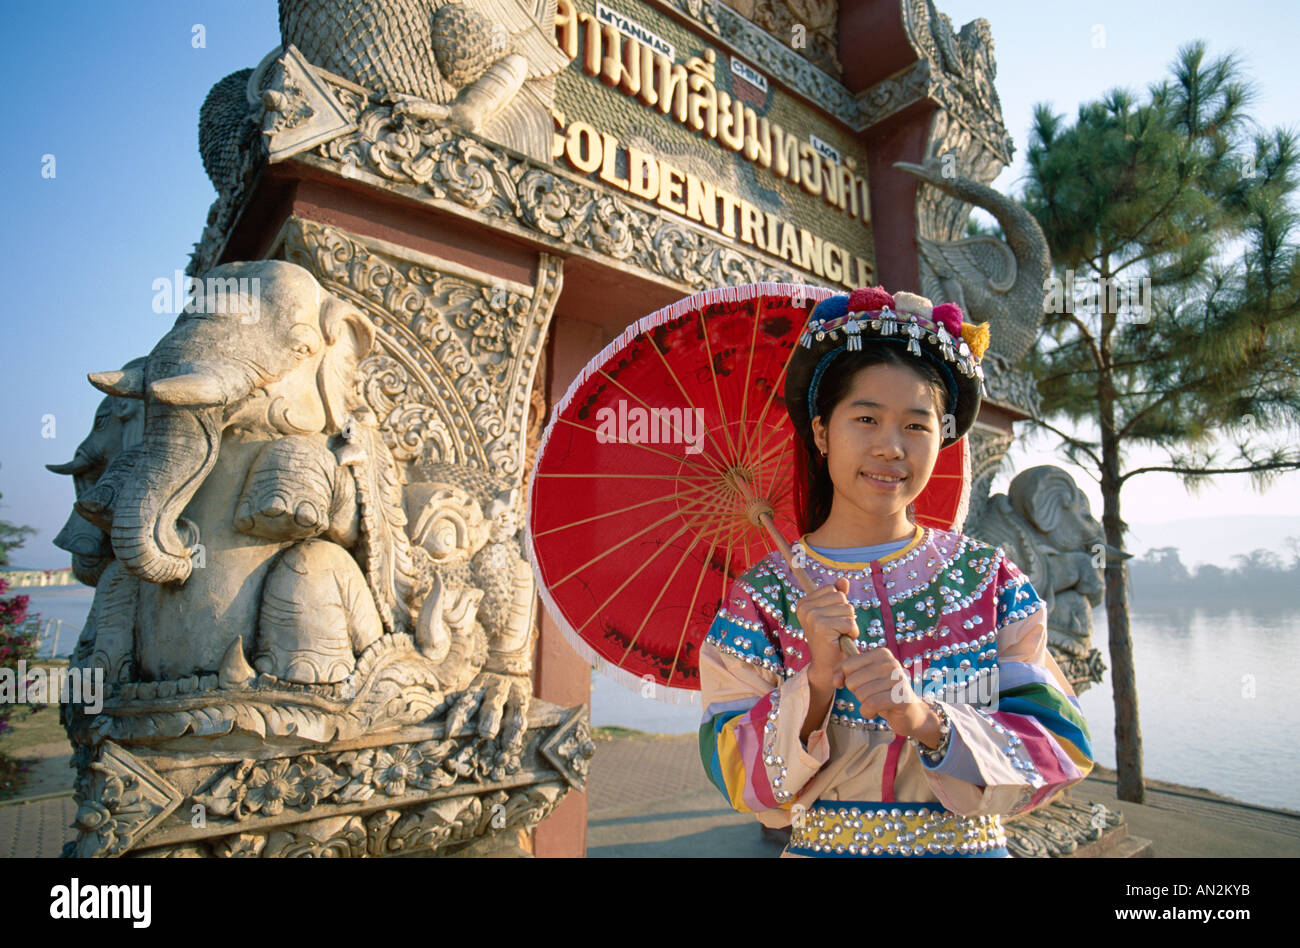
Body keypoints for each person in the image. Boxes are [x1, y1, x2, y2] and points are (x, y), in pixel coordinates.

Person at [698, 286, 1094, 857]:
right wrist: (817, 682)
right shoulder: (764, 596)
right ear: (821, 432)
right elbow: (735, 775)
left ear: (942, 436)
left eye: (916, 425)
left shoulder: (987, 579)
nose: (890, 447)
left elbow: (1061, 748)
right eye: (866, 418)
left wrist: (927, 722)